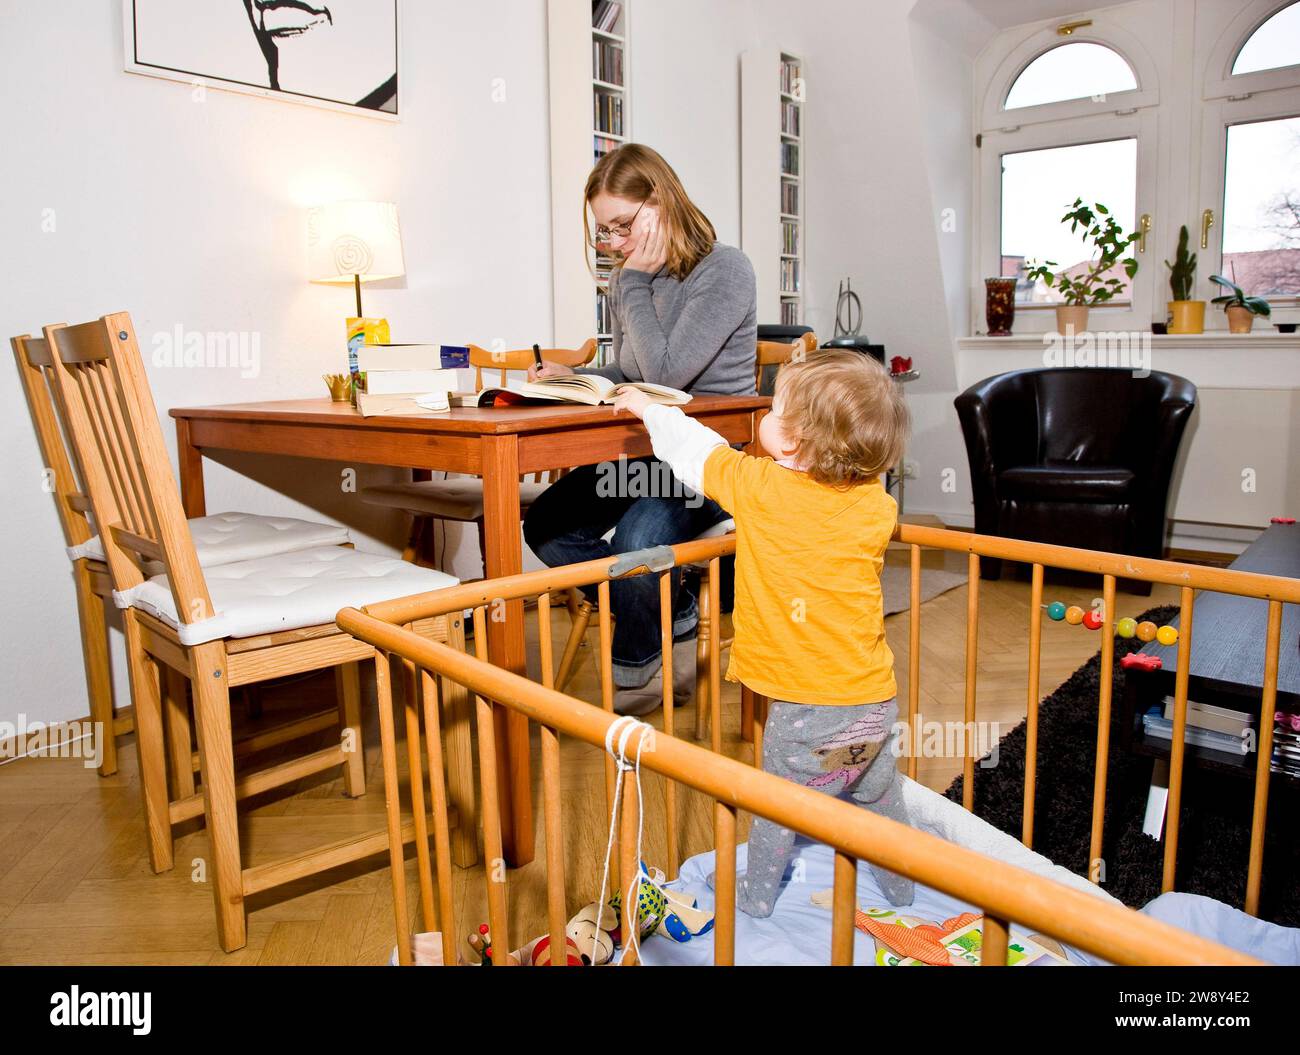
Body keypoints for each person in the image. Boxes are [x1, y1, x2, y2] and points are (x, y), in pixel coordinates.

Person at [612, 348, 916, 916]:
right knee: (878, 796)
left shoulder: (760, 488)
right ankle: (904, 888)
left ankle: (753, 901)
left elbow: (694, 451)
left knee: (777, 807)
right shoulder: (877, 504)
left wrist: (647, 408)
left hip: (809, 705)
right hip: (874, 694)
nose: (764, 419)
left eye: (776, 411)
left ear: (795, 443)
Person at [523, 144, 756, 715]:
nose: (616, 244)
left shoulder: (725, 269)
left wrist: (630, 284)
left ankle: (639, 670)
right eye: (606, 233)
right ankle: (672, 609)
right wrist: (573, 376)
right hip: (643, 451)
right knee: (546, 525)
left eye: (623, 226)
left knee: (635, 544)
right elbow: (632, 370)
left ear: (661, 202)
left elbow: (669, 371)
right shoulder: (637, 277)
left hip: (707, 457)